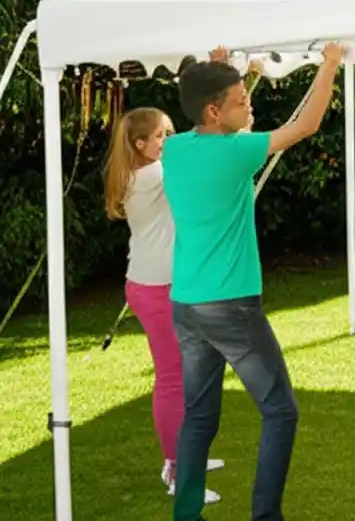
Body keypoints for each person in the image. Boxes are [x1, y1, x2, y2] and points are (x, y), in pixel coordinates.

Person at [163, 43, 344, 521]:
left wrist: (223, 68)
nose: (249, 104)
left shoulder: (176, 149)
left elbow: (211, 123)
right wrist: (329, 64)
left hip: (186, 305)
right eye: (241, 97)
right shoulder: (237, 151)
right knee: (280, 410)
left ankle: (186, 515)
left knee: (199, 417)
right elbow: (305, 126)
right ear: (213, 109)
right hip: (230, 308)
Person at [104, 107, 224, 505]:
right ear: (141, 145)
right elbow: (204, 154)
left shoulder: (149, 173)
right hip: (156, 291)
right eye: (161, 135)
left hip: (161, 285)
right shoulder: (152, 175)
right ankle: (177, 470)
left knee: (189, 375)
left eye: (170, 132)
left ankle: (186, 456)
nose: (168, 140)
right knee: (174, 379)